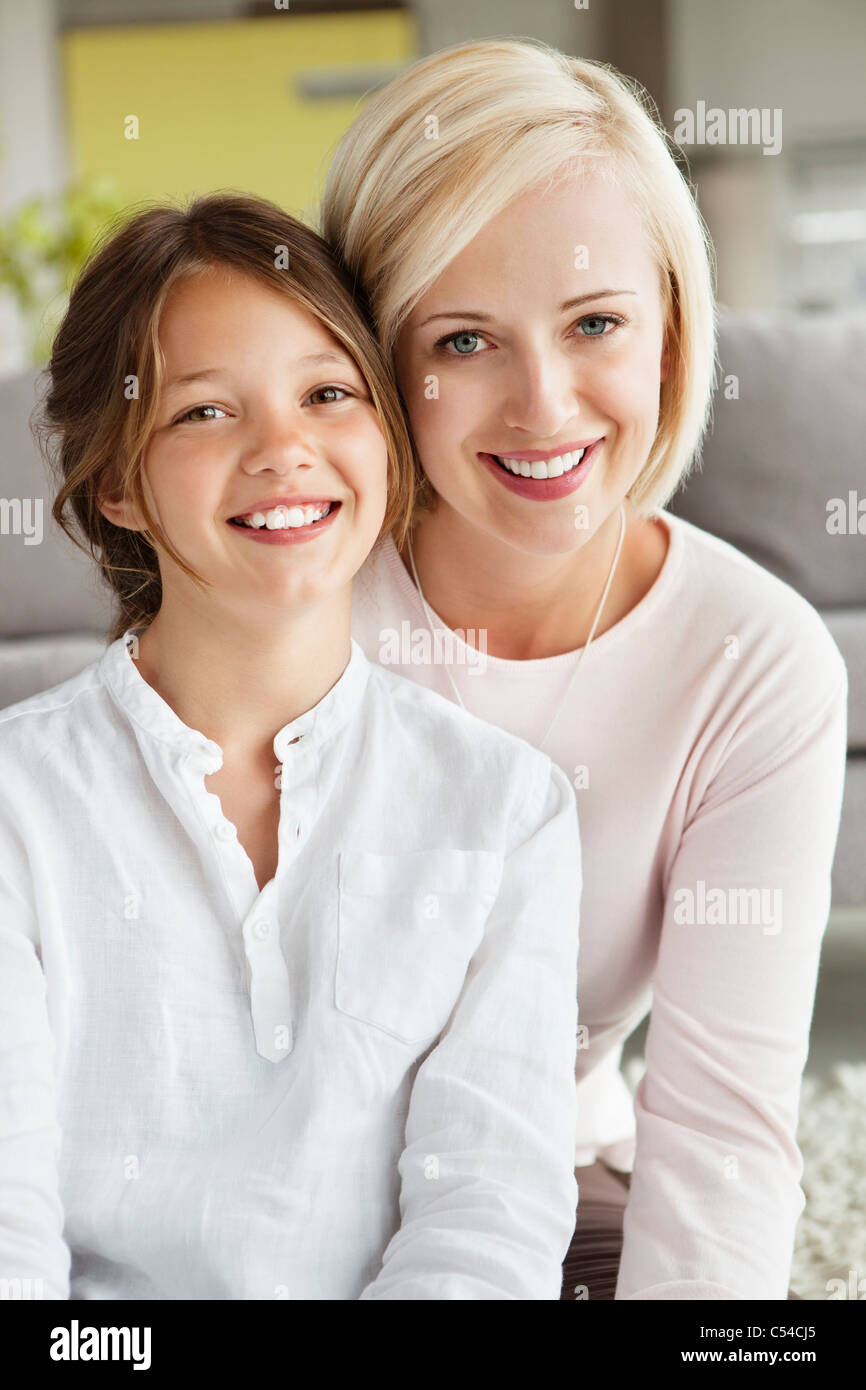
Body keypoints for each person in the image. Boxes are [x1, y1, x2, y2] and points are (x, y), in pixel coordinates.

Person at [319, 37, 849, 1299]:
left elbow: (719, 1129)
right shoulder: (293, 592)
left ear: (671, 330)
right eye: (461, 341)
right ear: (374, 358)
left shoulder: (754, 660)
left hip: (542, 1179)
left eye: (594, 322)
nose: (544, 405)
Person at [0, 192, 583, 1300]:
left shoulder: (506, 808)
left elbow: (486, 1212)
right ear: (117, 483)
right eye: (204, 413)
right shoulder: (17, 803)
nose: (283, 449)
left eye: (327, 394)